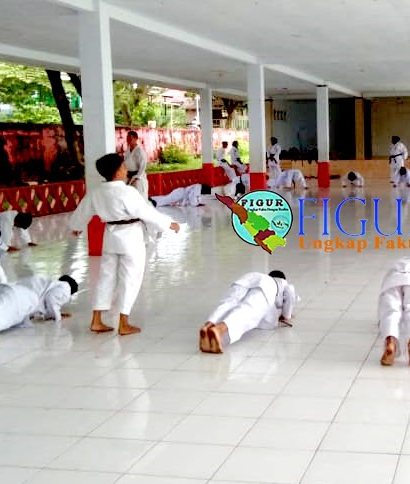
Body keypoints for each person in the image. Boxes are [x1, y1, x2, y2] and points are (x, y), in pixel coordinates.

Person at [68, 153, 181, 335]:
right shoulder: (127, 192)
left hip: (110, 238)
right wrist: (168, 224)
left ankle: (96, 320)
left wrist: (76, 226)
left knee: (105, 278)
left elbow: (83, 212)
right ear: (117, 171)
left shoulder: (96, 192)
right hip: (130, 238)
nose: (126, 169)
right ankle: (123, 322)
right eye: (123, 167)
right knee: (130, 278)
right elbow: (146, 213)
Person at [199, 270, 297, 353]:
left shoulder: (261, 276)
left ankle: (208, 325)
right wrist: (286, 315)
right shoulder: (280, 283)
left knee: (227, 304)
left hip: (246, 278)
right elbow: (290, 293)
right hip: (265, 286)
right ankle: (219, 329)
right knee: (247, 310)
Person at [124, 131, 148, 197]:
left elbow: (143, 165)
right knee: (128, 194)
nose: (128, 140)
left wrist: (137, 177)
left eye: (130, 138)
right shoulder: (127, 150)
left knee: (139, 194)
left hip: (138, 175)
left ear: (136, 139)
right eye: (127, 138)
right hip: (129, 175)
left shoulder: (139, 151)